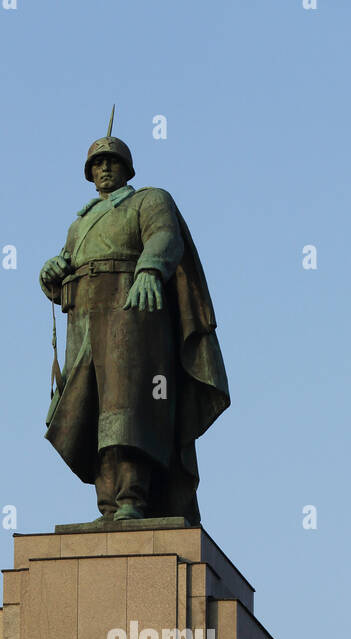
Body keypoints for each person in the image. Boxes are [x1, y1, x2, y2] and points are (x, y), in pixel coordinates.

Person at [39, 121, 229, 524]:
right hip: (84, 320)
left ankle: (131, 498)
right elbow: (64, 267)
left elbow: (165, 237)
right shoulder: (79, 225)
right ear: (89, 174)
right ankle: (108, 505)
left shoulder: (149, 199)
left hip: (132, 310)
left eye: (112, 161)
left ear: (127, 168)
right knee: (92, 410)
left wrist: (149, 270)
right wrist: (51, 273)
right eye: (97, 164)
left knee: (126, 407)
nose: (104, 169)